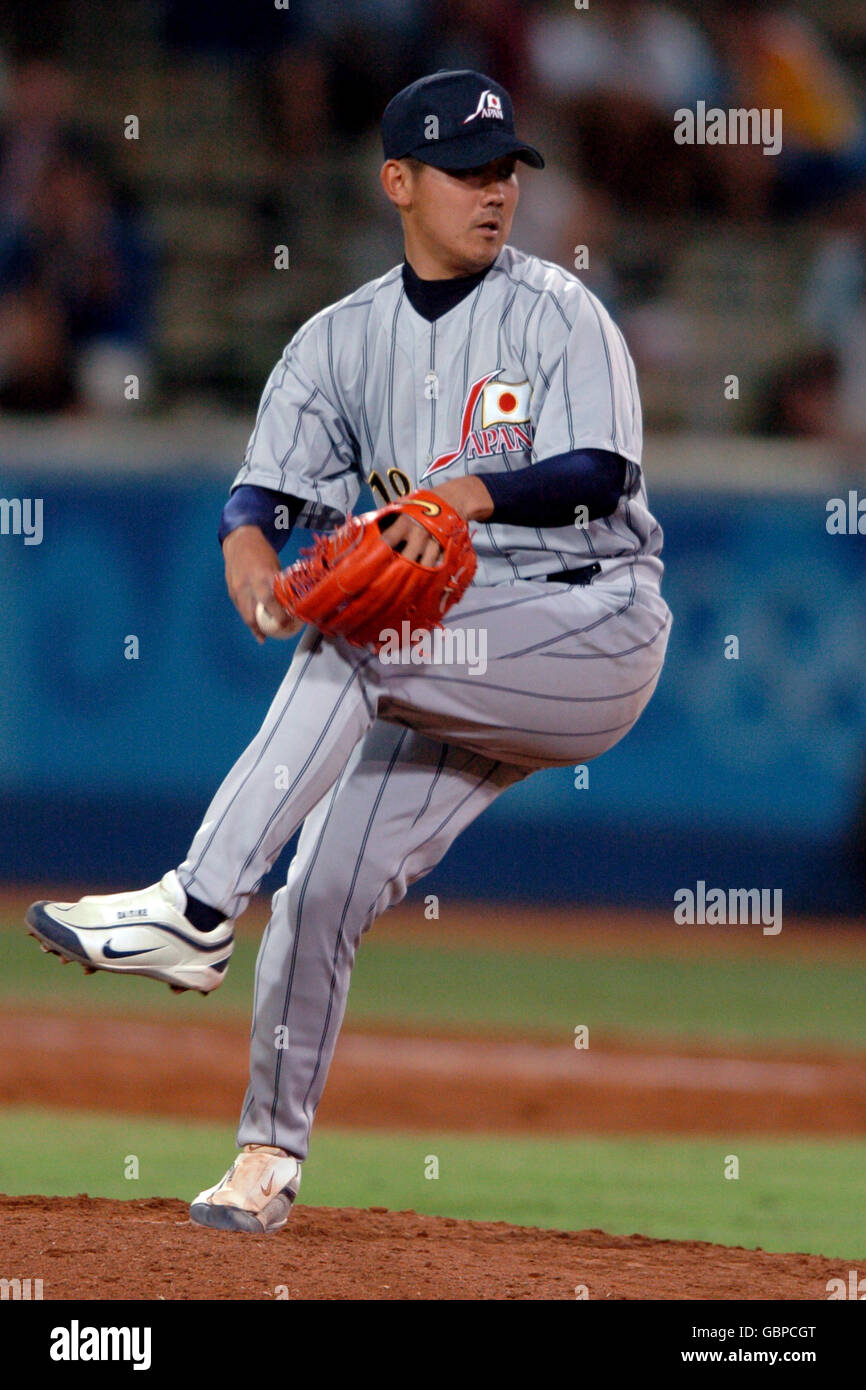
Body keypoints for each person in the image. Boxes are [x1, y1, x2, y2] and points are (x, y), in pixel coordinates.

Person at [26, 70, 671, 1234]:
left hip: (592, 627)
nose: (494, 193)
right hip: (449, 660)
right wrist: (249, 568)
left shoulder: (555, 312)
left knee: (366, 627)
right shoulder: (337, 341)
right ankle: (263, 1162)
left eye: (505, 172)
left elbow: (599, 474)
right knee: (323, 881)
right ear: (396, 182)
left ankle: (194, 904)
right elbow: (255, 498)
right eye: (467, 172)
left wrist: (466, 490)